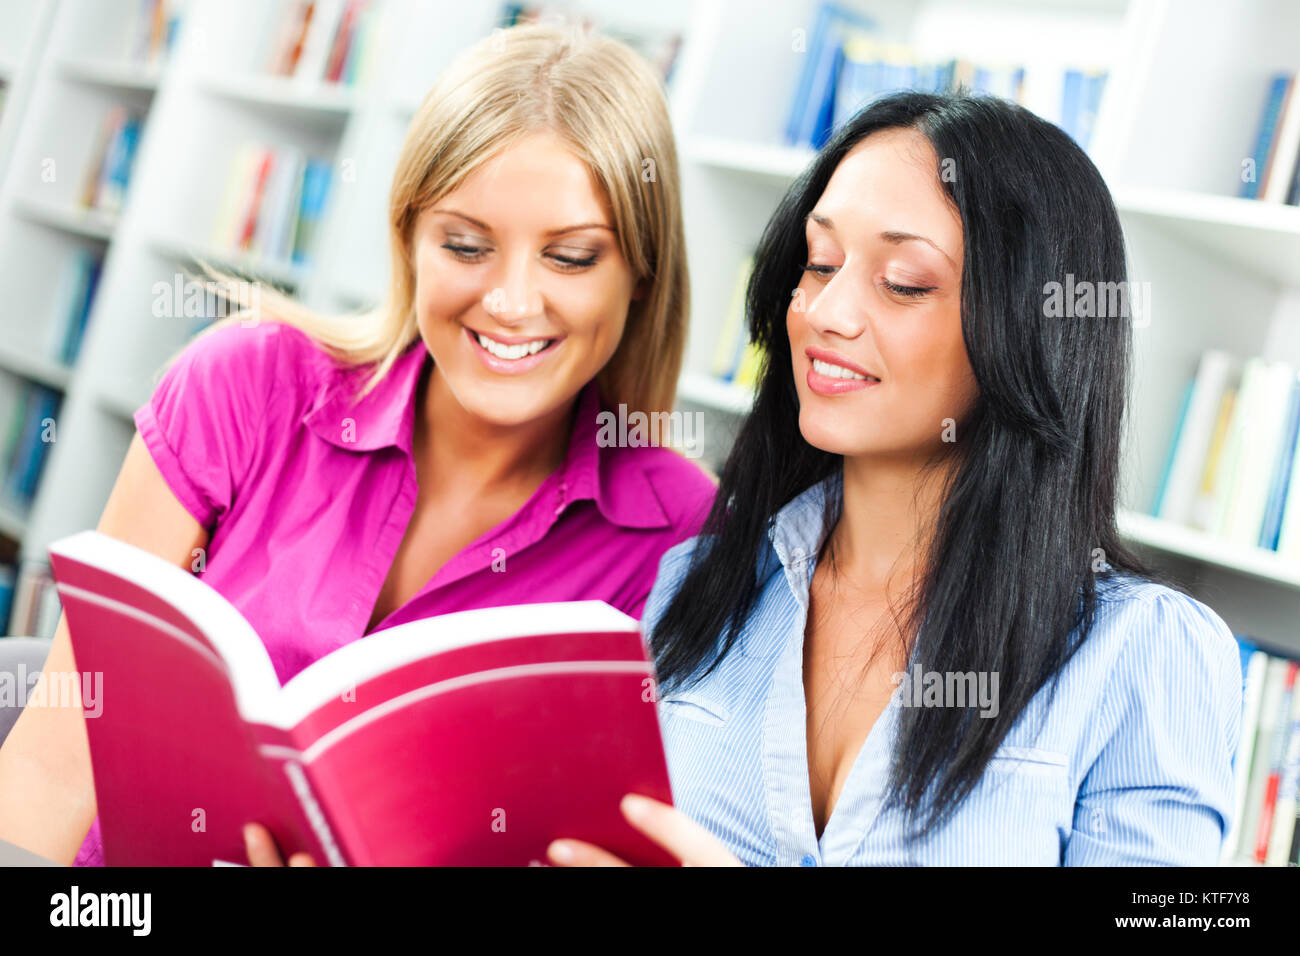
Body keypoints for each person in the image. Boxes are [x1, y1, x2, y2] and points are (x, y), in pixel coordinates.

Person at [0, 22, 715, 867]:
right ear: (410, 238)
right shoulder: (247, 383)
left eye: (569, 257)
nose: (513, 302)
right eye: (466, 244)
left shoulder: (677, 533)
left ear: (640, 272)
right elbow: (53, 765)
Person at [546, 91, 1243, 867]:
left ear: (1030, 330)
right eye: (818, 263)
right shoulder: (698, 588)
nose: (826, 312)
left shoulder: (1145, 654)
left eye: (905, 282)